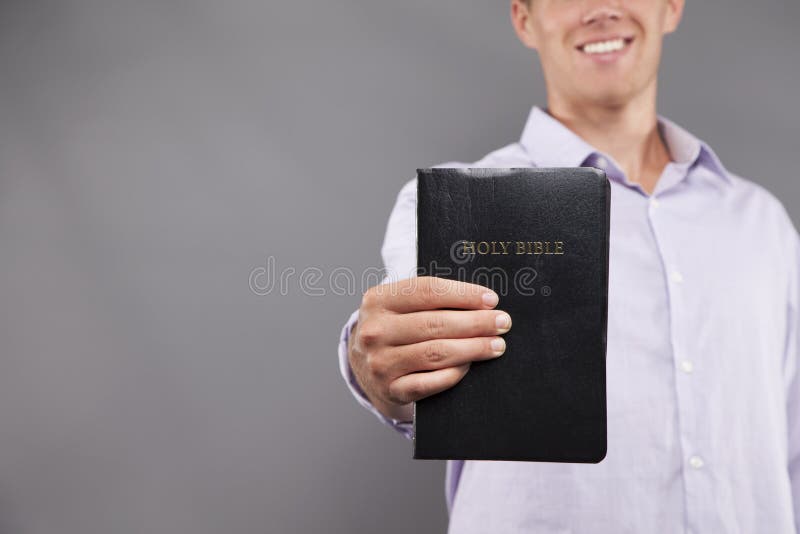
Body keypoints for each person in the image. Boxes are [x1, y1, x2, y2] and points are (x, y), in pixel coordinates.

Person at [337, 0, 800, 531]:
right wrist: (376, 368)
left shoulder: (763, 224)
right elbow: (401, 358)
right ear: (523, 19)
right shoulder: (447, 207)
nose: (601, 9)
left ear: (672, 6)